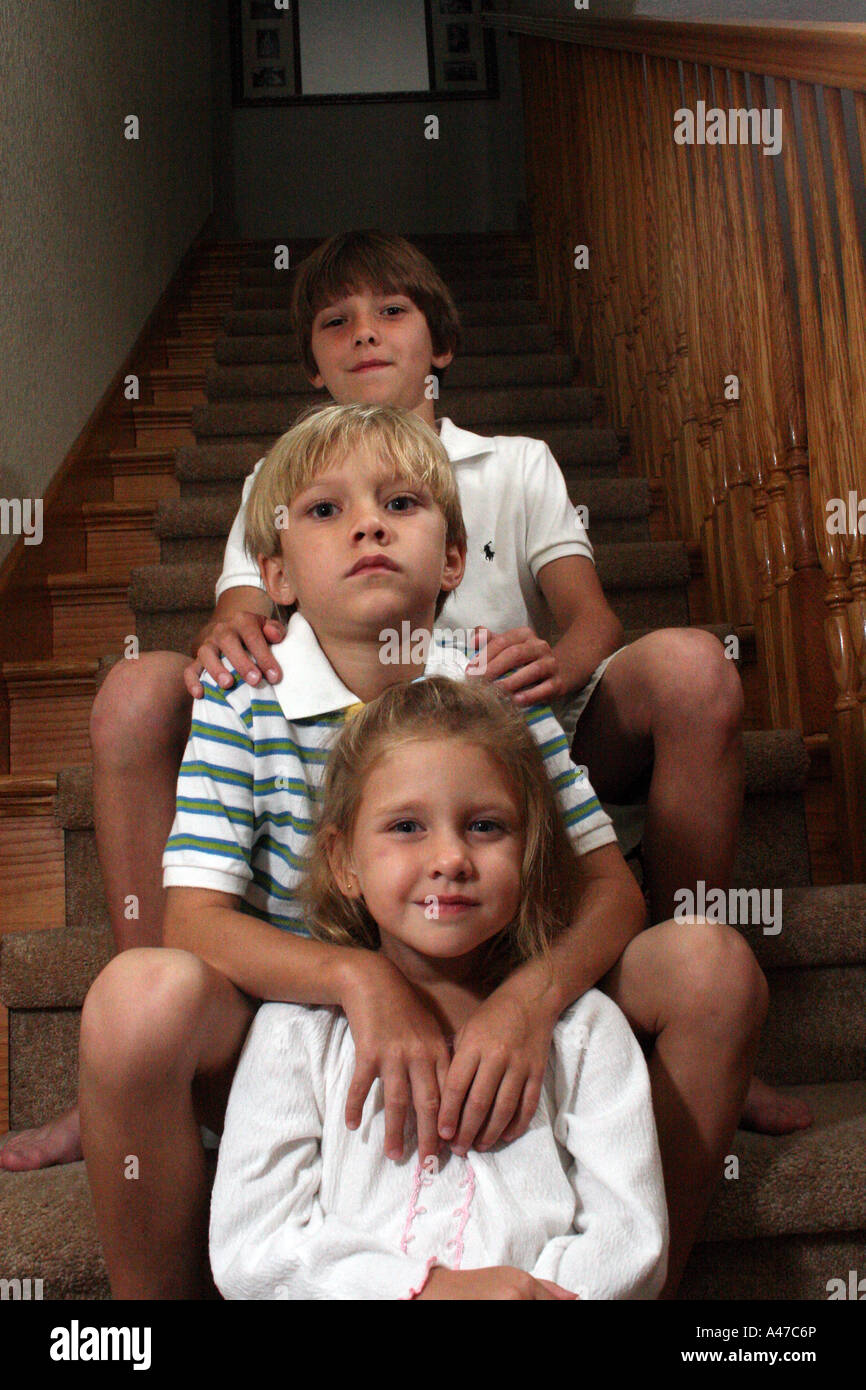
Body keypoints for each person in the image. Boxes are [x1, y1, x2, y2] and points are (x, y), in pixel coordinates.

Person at [2, 230, 801, 1183]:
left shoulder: (515, 465)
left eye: (392, 312)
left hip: (500, 735)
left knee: (689, 721)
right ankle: (129, 1053)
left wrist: (535, 672)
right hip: (343, 816)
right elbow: (243, 610)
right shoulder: (277, 487)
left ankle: (702, 1042)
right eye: (337, 321)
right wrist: (233, 647)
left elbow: (593, 629)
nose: (366, 334)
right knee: (139, 703)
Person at [79, 402, 653, 1299]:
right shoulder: (243, 699)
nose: (368, 525)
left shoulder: (495, 686)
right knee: (136, 996)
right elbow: (191, 922)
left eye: (402, 504)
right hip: (294, 1028)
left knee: (711, 967)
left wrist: (527, 1004)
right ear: (275, 573)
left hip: (482, 988)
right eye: (324, 511)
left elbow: (613, 892)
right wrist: (360, 980)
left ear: (454, 559)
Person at [210, 676, 668, 1301]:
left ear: (529, 851)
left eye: (484, 826)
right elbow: (252, 1248)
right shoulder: (294, 1034)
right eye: (406, 827)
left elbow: (629, 1234)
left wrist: (531, 1297)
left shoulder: (585, 1030)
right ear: (344, 863)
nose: (451, 857)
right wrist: (425, 1293)